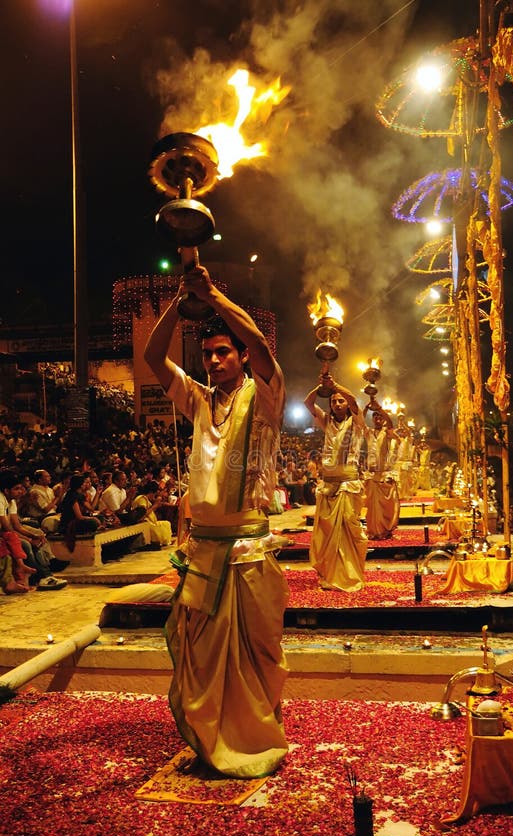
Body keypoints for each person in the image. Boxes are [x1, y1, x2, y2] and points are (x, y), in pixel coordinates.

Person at [144, 263, 289, 778]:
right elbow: (151, 357)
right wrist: (180, 300)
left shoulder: (265, 396)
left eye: (222, 351)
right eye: (206, 354)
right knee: (201, 656)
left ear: (241, 355)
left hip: (248, 552)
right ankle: (210, 741)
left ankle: (252, 732)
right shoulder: (199, 400)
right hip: (203, 551)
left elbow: (263, 348)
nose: (213, 360)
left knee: (256, 656)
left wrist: (215, 297)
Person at [304, 369, 367, 591]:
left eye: (341, 401)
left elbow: (352, 399)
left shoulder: (357, 421)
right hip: (329, 484)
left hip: (348, 484)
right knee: (327, 531)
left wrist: (336, 385)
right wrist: (322, 387)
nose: (338, 404)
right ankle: (330, 572)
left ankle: (349, 573)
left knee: (349, 528)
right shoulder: (326, 420)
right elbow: (308, 403)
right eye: (334, 401)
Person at [363, 400, 400, 541]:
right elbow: (359, 421)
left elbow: (390, 423)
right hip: (372, 475)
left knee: (388, 505)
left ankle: (386, 529)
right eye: (375, 417)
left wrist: (379, 408)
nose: (378, 419)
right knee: (373, 508)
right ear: (372, 419)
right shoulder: (368, 432)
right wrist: (367, 407)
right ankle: (374, 531)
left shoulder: (387, 432)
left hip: (384, 473)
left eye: (380, 417)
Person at [131, 481, 172, 547]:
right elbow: (141, 515)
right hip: (143, 523)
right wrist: (154, 506)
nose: (154, 497)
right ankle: (158, 542)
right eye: (154, 494)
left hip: (149, 522)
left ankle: (164, 542)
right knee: (159, 528)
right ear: (151, 492)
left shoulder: (145, 499)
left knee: (166, 523)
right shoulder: (141, 499)